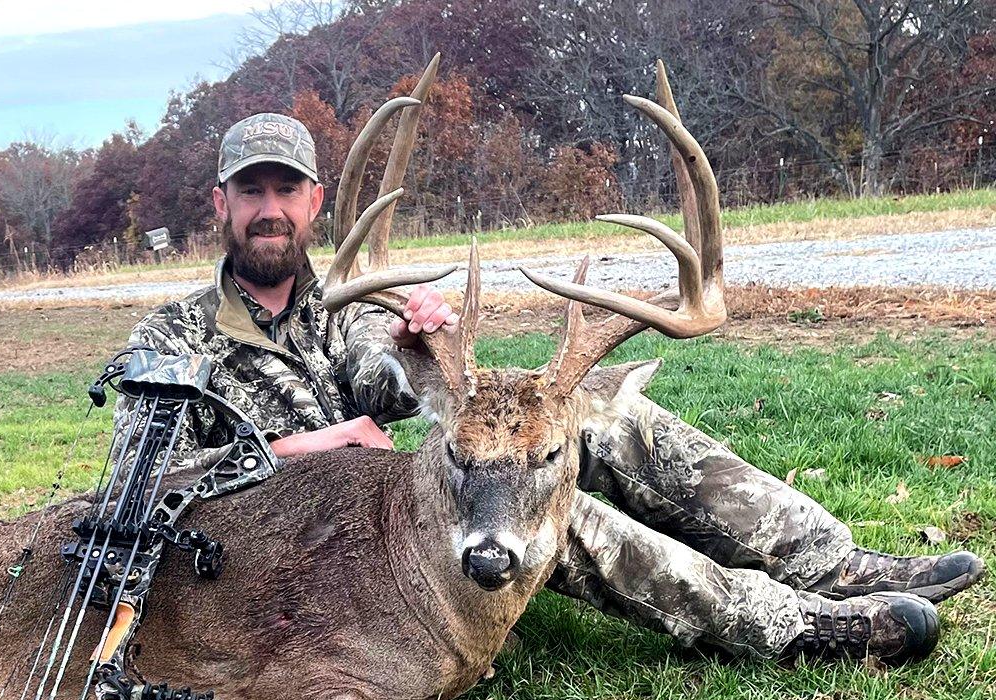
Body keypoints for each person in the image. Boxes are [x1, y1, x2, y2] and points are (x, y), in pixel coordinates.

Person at [116, 112, 984, 666]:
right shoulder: (171, 341)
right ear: (219, 205)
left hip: (405, 503)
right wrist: (308, 443)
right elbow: (135, 489)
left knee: (589, 424)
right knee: (555, 512)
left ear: (312, 205)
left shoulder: (349, 313)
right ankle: (791, 624)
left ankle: (831, 562)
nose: (269, 208)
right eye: (250, 191)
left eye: (286, 190)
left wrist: (437, 347)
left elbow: (414, 391)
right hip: (333, 565)